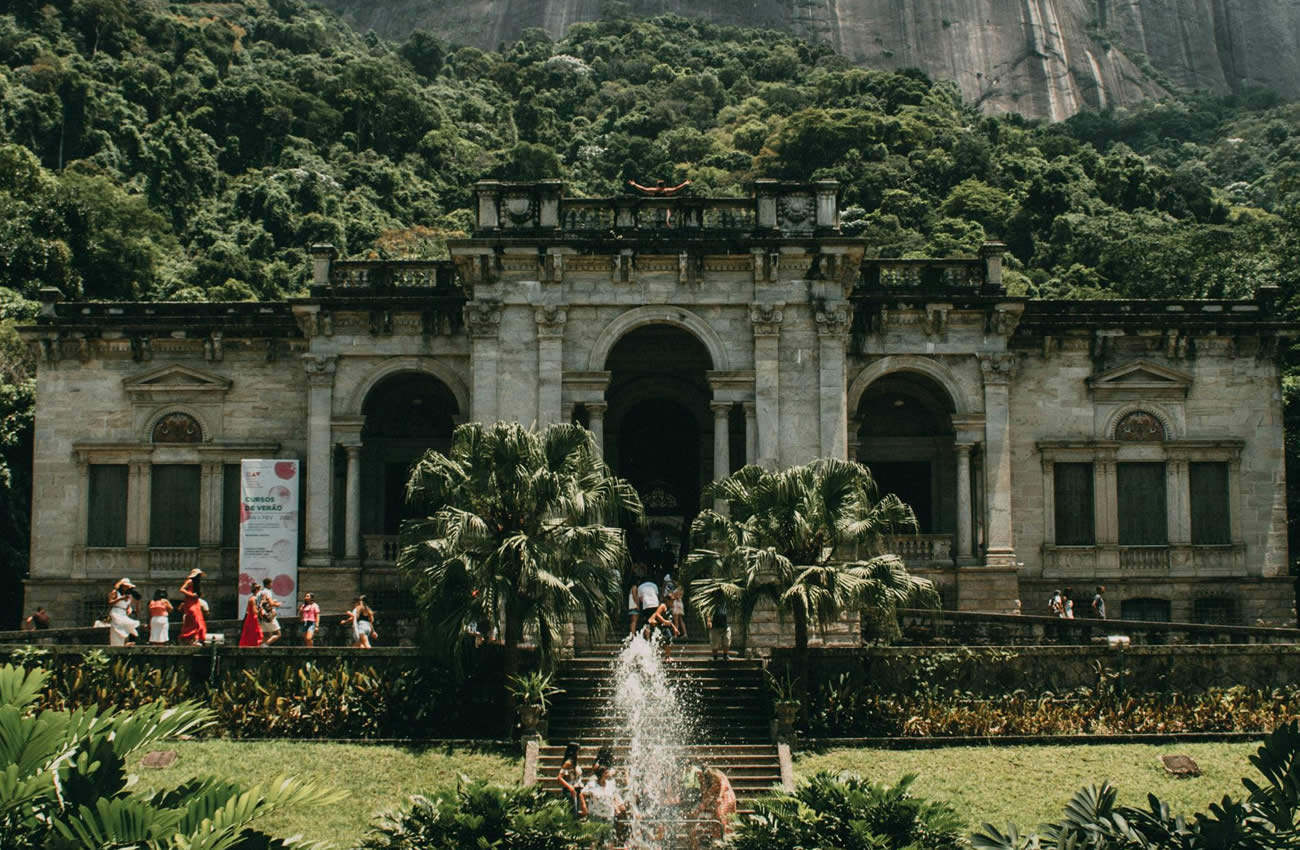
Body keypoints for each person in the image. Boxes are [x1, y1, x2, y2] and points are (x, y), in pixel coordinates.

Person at [688, 766, 737, 850]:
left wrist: (720, 796)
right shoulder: (703, 780)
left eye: (700, 775)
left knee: (720, 815)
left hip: (726, 797)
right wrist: (700, 807)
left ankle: (725, 837)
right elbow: (706, 795)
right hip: (715, 798)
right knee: (713, 816)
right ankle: (716, 837)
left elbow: (723, 785)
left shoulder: (715, 774)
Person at [107, 578, 140, 646]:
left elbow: (128, 607)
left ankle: (126, 642)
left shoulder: (129, 596)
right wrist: (120, 599)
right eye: (125, 586)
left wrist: (130, 609)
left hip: (123, 613)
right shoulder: (115, 592)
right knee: (118, 628)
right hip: (116, 612)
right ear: (121, 586)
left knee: (128, 626)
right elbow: (110, 602)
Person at [557, 742, 586, 817]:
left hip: (577, 790)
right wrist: (569, 787)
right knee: (571, 814)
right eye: (577, 751)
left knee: (575, 813)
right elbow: (559, 777)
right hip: (570, 791)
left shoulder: (575, 762)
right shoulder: (568, 763)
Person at [178, 569, 207, 645]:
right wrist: (191, 595)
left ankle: (196, 638)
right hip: (191, 603)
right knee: (195, 619)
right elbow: (181, 589)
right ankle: (192, 638)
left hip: (195, 603)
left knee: (199, 621)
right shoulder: (190, 581)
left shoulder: (196, 583)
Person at [256, 577, 282, 646]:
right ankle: (264, 646)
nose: (272, 585)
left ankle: (258, 649)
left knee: (266, 635)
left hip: (260, 616)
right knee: (278, 634)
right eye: (271, 584)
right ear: (268, 584)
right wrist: (277, 604)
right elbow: (271, 603)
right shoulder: (267, 591)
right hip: (268, 615)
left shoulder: (259, 593)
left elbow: (261, 603)